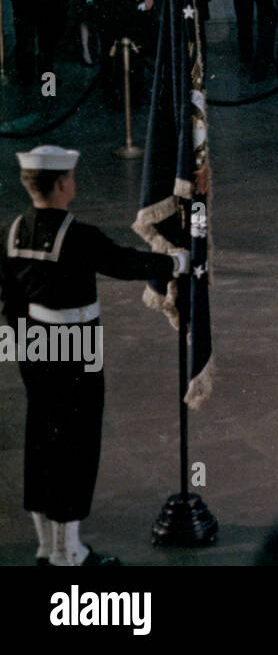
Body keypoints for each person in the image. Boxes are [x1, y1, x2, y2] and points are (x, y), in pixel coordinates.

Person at [1, 145, 186, 566]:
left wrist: (25, 353)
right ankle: (70, 553)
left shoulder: (11, 232)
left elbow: (8, 302)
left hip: (34, 346)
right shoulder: (78, 234)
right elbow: (123, 263)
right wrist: (174, 260)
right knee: (76, 444)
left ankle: (47, 547)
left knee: (40, 442)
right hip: (77, 350)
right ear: (63, 184)